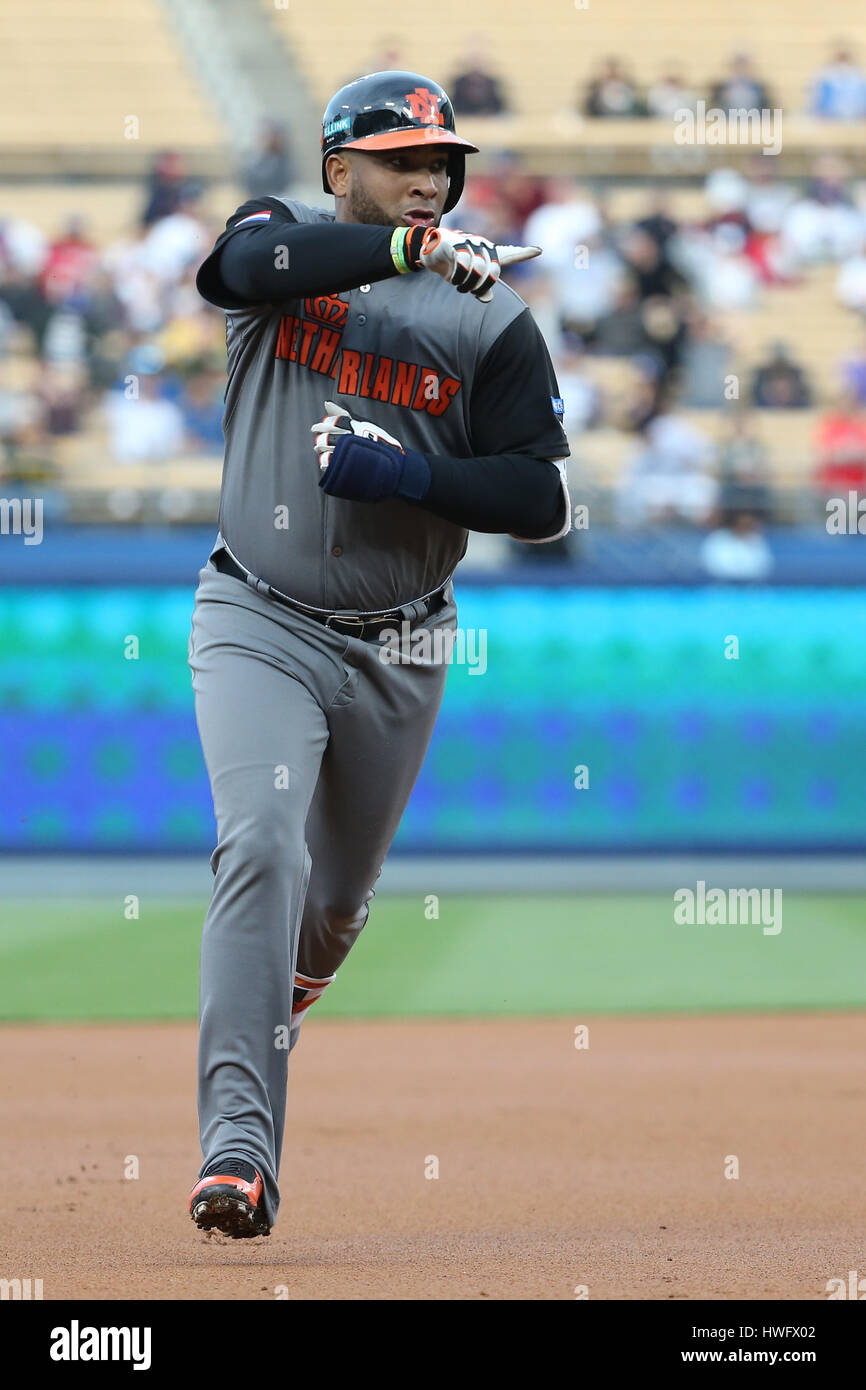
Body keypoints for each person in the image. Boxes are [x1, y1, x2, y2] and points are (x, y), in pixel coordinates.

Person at [186, 70, 571, 1239]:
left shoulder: (488, 314)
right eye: (400, 156)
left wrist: (407, 471)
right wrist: (405, 258)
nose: (427, 177)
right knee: (260, 846)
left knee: (336, 903)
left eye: (440, 163)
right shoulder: (278, 243)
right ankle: (237, 1153)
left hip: (402, 636)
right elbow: (240, 274)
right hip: (257, 613)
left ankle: (290, 983)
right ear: (334, 169)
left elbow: (541, 498)